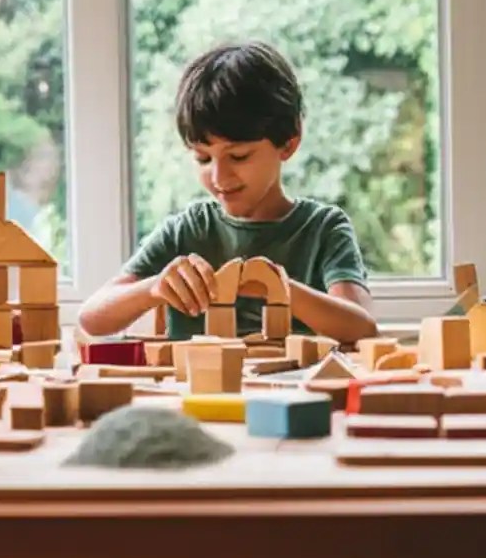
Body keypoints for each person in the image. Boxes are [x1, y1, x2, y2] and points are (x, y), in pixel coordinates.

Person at [78, 41, 378, 343]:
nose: (219, 177)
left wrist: (279, 287)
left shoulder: (323, 230)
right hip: (197, 391)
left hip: (293, 389)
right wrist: (153, 288)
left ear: (288, 142)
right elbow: (92, 318)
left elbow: (362, 328)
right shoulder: (185, 231)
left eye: (239, 157)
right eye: (203, 158)